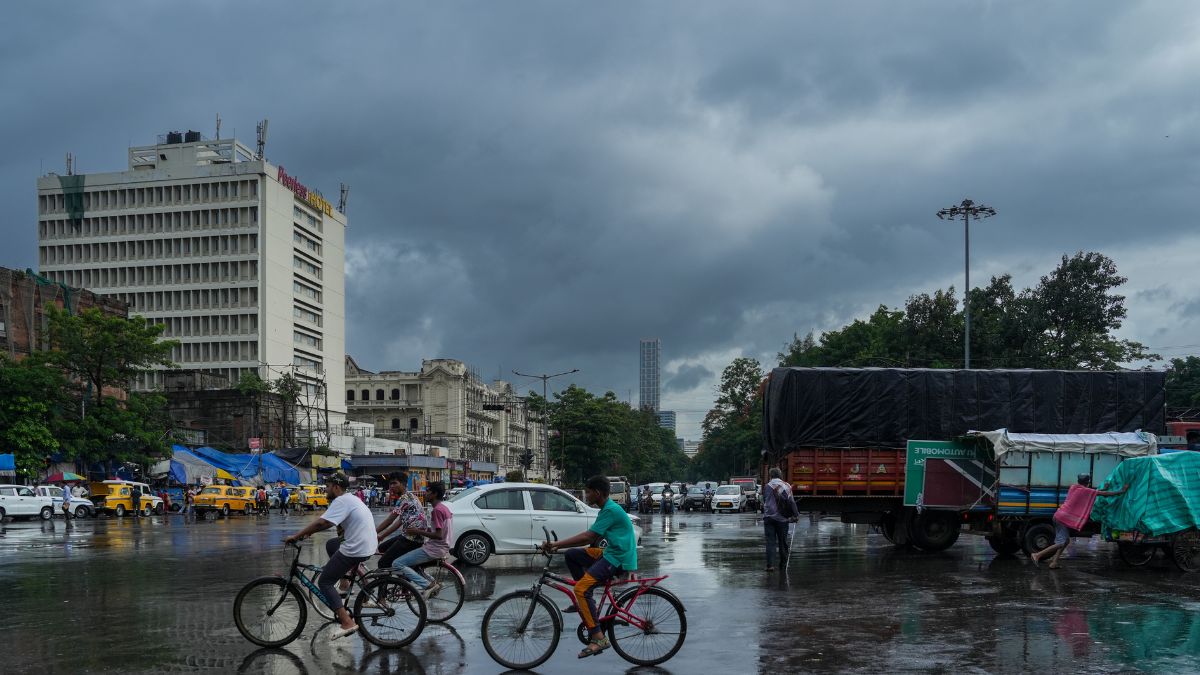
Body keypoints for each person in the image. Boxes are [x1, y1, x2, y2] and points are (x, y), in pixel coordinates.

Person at [542, 475, 638, 659]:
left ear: (598, 493)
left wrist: (557, 544)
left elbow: (588, 537)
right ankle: (586, 601)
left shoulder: (610, 510)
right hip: (611, 552)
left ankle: (599, 637)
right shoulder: (606, 509)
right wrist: (561, 546)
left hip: (618, 558)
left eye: (588, 492)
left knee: (580, 589)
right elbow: (591, 538)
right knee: (572, 555)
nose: (586, 495)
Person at [284, 472, 378, 641]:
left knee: (325, 582)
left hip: (356, 548)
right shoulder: (352, 498)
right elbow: (326, 524)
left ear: (336, 487)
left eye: (327, 486)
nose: (325, 489)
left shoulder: (341, 500)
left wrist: (297, 535)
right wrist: (308, 534)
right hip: (367, 545)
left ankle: (347, 622)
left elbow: (323, 522)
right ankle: (344, 579)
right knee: (332, 544)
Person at [1032, 473, 1129, 570]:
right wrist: (1121, 491)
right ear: (1087, 482)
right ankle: (1037, 555)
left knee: (1066, 541)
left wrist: (1104, 488)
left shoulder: (1074, 487)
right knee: (1061, 543)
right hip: (1062, 519)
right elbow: (1103, 494)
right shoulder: (1085, 490)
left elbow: (1093, 492)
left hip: (1059, 515)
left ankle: (1054, 562)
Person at [390, 481, 451, 598]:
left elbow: (439, 535)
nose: (425, 493)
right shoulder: (444, 508)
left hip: (434, 549)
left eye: (428, 491)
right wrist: (424, 529)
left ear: (434, 494)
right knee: (411, 564)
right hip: (441, 547)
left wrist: (416, 531)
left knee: (397, 563)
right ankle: (432, 582)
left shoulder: (437, 511)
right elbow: (439, 530)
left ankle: (428, 585)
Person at [376, 472, 428, 568]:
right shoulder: (411, 496)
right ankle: (401, 574)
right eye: (390, 484)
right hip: (411, 536)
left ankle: (401, 580)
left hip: (411, 539)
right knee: (382, 547)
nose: (392, 486)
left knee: (382, 563)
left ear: (403, 484)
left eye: (395, 483)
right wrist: (382, 536)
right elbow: (399, 522)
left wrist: (374, 532)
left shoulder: (404, 499)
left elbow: (390, 520)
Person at [762, 467, 799, 571]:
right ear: (780, 475)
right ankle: (783, 564)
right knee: (782, 542)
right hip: (782, 519)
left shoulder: (766, 486)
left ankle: (770, 565)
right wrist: (796, 515)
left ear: (771, 475)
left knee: (770, 542)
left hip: (768, 518)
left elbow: (764, 500)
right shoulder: (786, 486)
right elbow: (791, 502)